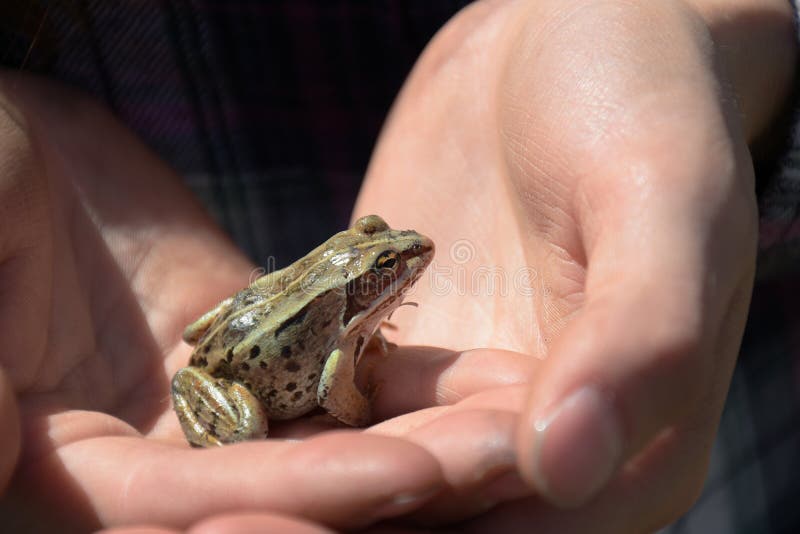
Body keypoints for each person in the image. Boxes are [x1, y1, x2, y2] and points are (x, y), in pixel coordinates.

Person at [0, 0, 797, 532]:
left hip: (753, 448)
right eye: (381, 267)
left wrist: (719, 23)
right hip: (233, 369)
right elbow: (338, 403)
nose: (401, 264)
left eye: (383, 255)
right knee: (244, 435)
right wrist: (363, 383)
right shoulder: (346, 330)